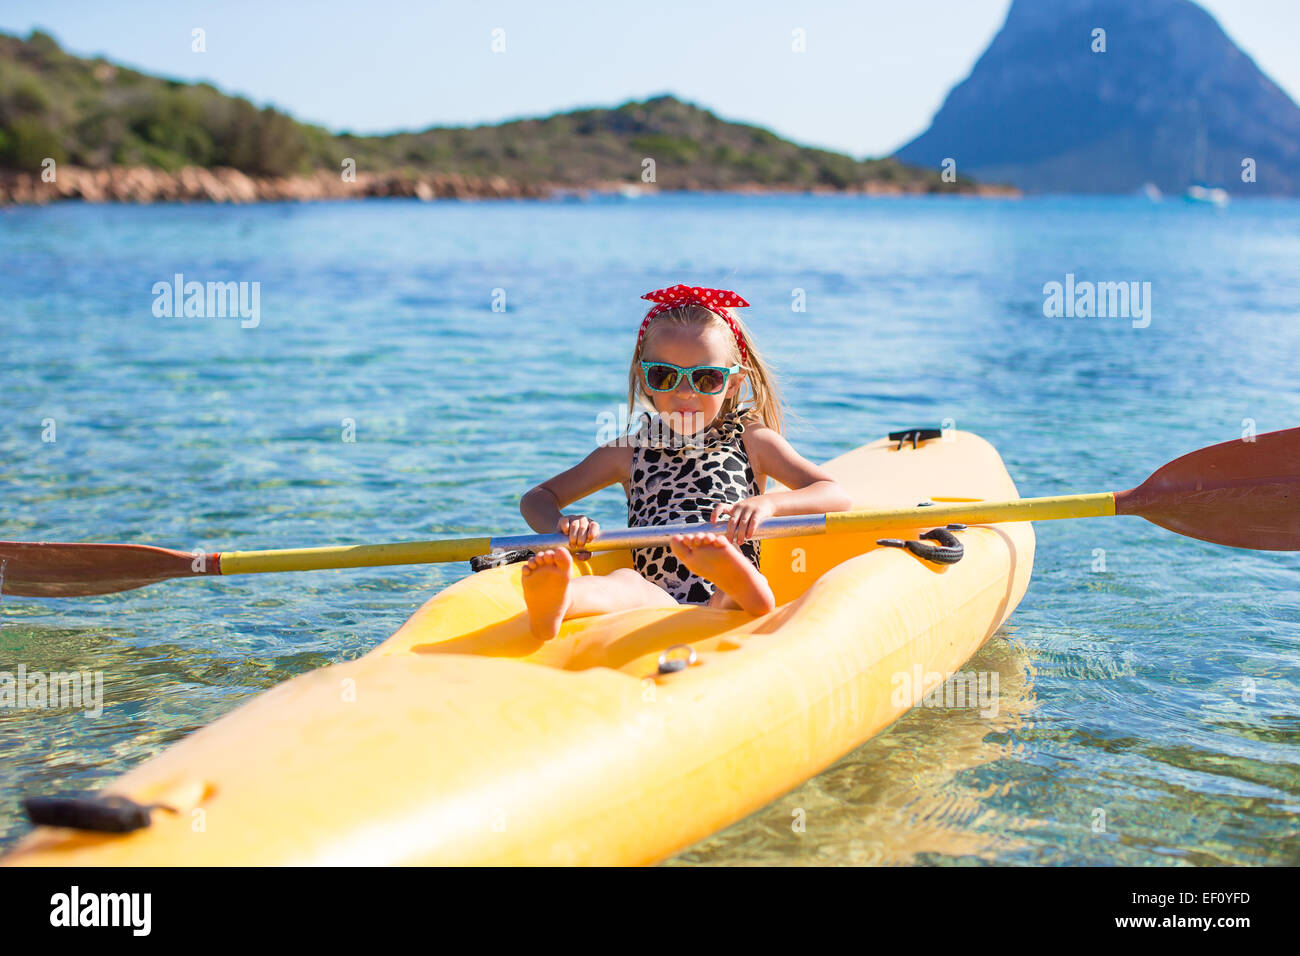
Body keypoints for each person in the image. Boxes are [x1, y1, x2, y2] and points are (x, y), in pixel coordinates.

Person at [518, 284, 852, 640]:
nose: (684, 392)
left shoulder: (753, 442)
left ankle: (738, 583)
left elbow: (834, 494)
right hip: (656, 597)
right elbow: (536, 498)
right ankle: (562, 600)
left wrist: (767, 504)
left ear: (734, 383)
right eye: (665, 375)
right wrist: (565, 524)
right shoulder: (628, 451)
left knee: (735, 586)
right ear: (645, 378)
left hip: (727, 590)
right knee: (626, 583)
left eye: (706, 378)